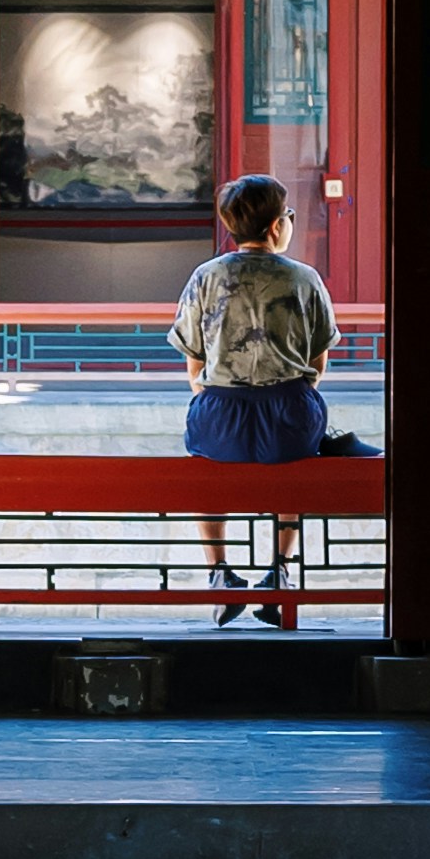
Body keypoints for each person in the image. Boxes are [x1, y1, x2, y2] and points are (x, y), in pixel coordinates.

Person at [174, 173, 339, 626]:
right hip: (290, 412)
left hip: (220, 413)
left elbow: (193, 361)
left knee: (205, 468)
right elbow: (318, 361)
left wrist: (221, 397)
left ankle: (219, 571)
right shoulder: (304, 278)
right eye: (287, 216)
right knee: (292, 472)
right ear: (274, 227)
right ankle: (280, 569)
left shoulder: (206, 276)